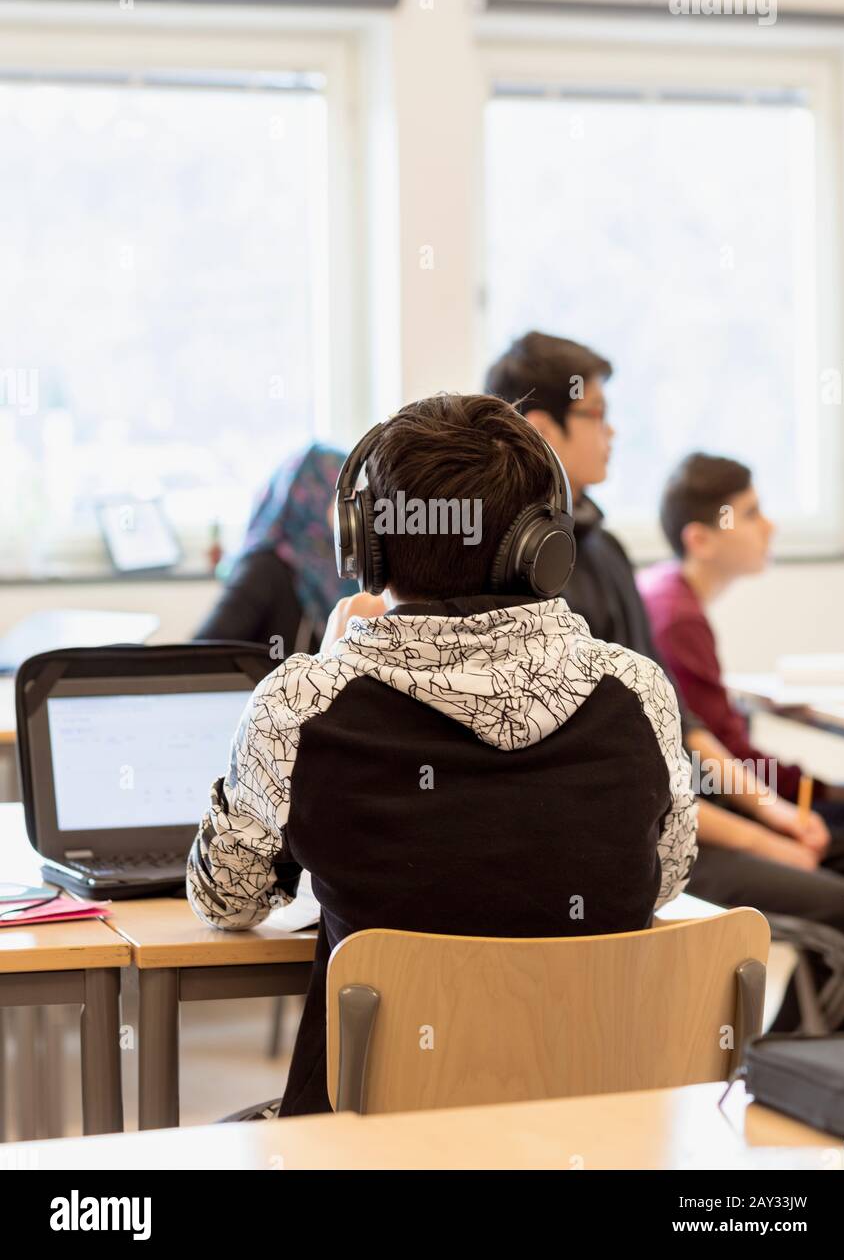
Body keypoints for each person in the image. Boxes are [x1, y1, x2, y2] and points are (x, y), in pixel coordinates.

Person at [188, 393, 696, 1116]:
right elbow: (666, 878)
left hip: (368, 1145)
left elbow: (225, 897)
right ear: (544, 546)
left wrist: (333, 668)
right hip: (593, 1130)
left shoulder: (303, 701)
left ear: (366, 548)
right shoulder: (637, 691)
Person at [485, 331, 844, 1031]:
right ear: (542, 428)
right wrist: (768, 840)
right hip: (649, 836)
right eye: (596, 414)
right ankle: (796, 1076)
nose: (613, 429)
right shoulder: (524, 576)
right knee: (843, 903)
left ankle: (792, 1062)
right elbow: (633, 779)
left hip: (688, 812)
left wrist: (777, 813)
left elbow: (681, 724)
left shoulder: (607, 551)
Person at [638, 452, 844, 833]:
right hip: (720, 811)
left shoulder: (665, 590)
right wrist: (826, 790)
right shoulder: (679, 620)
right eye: (751, 514)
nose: (770, 526)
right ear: (700, 539)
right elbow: (731, 759)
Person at [194, 443, 355, 655]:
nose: (350, 511)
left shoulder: (341, 570)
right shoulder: (264, 567)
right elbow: (199, 656)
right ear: (311, 495)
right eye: (340, 498)